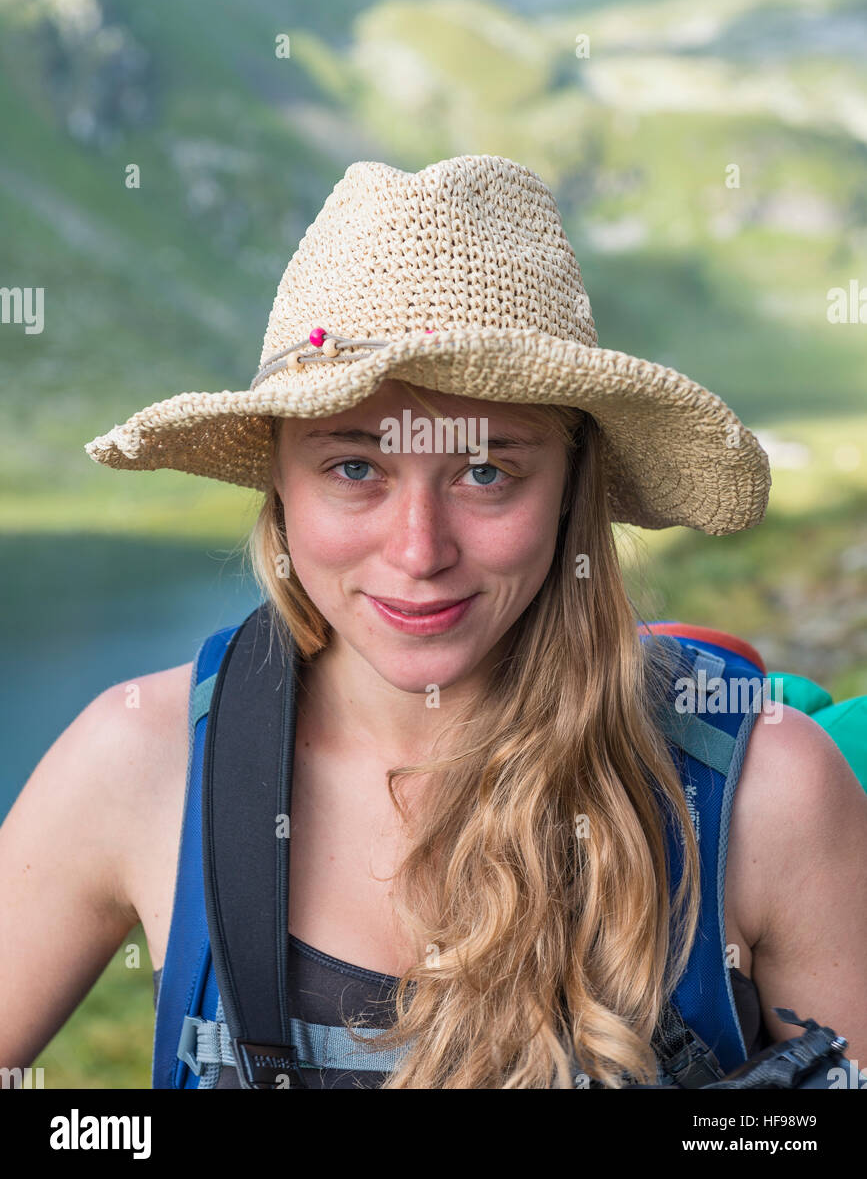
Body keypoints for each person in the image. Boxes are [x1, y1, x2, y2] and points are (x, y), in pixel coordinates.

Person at [1, 154, 865, 1089]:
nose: (419, 552)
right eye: (354, 468)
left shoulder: (770, 798)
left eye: (486, 471)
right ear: (278, 483)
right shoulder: (135, 764)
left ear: (575, 488)